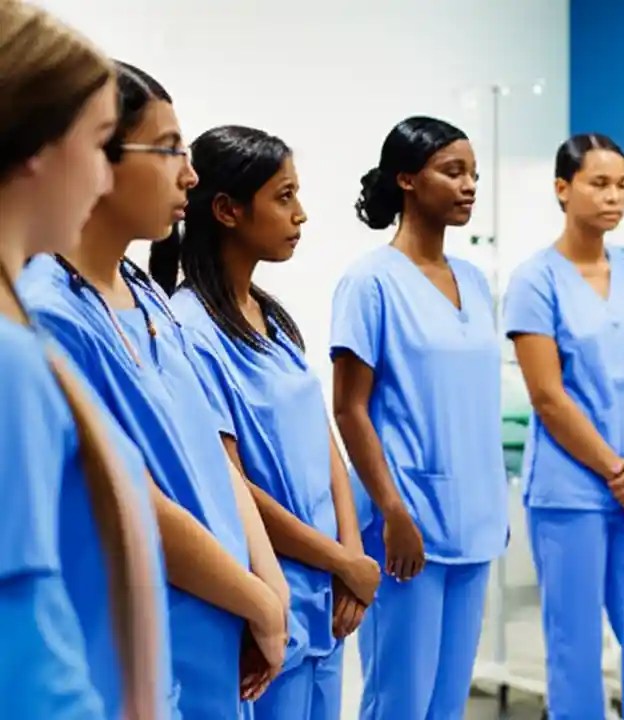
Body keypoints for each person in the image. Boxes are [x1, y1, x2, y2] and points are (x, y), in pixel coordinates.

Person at [17, 61, 291, 720]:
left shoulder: (146, 294)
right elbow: (129, 493)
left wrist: (269, 589)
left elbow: (210, 457)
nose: (190, 176)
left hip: (226, 617)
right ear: (96, 155)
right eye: (169, 150)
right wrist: (254, 600)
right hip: (158, 624)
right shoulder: (48, 311)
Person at [152, 124, 381, 720]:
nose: (300, 215)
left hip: (325, 592)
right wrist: (338, 561)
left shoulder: (270, 316)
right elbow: (233, 486)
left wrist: (351, 556)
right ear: (228, 209)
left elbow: (321, 437)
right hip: (271, 599)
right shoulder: (191, 329)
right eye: (284, 197)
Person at [0, 5, 170, 718]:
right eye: (102, 144)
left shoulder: (23, 335)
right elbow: (21, 641)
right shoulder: (11, 362)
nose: (105, 179)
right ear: (39, 145)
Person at [331, 116, 508, 719]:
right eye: (452, 171)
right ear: (406, 179)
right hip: (407, 525)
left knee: (448, 705)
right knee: (399, 702)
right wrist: (391, 510)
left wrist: (494, 504)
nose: (468, 186)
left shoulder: (476, 283)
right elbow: (349, 408)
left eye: (473, 175)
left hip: (475, 523)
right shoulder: (370, 282)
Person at [504, 133, 624, 719]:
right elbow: (548, 397)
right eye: (599, 183)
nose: (614, 197)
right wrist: (617, 471)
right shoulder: (536, 281)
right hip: (571, 492)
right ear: (563, 188)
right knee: (575, 649)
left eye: (623, 184)